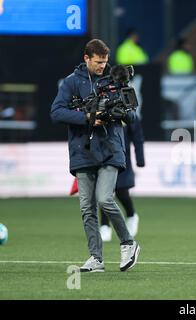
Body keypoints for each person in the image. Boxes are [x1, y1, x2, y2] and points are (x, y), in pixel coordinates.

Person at [50, 39, 140, 273]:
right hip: (82, 150)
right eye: (99, 62)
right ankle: (96, 258)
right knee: (86, 208)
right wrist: (88, 118)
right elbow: (56, 112)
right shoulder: (71, 83)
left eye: (105, 62)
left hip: (110, 148)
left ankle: (128, 244)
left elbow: (132, 117)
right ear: (87, 59)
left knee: (104, 199)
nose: (103, 66)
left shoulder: (115, 81)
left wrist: (121, 111)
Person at [99, 118, 145, 241]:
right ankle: (104, 226)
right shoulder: (100, 108)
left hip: (122, 157)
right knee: (104, 192)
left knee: (122, 191)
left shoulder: (128, 112)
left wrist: (140, 159)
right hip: (101, 156)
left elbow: (137, 137)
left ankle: (131, 215)